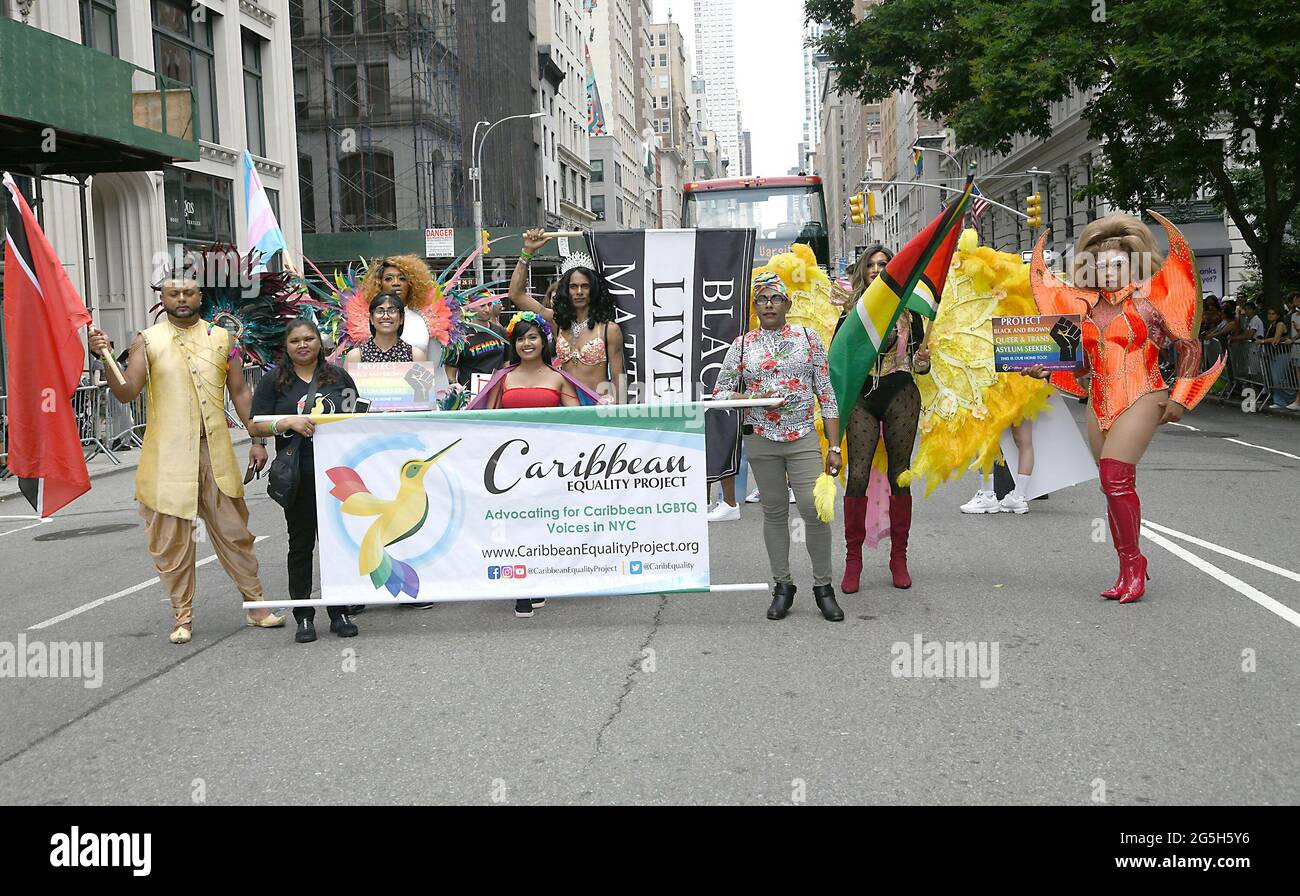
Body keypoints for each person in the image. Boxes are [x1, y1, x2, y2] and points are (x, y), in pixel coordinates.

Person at [1026, 212, 1223, 604]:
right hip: (1098, 399)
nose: (1109, 271)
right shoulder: (1081, 309)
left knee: (1116, 477)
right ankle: (1127, 566)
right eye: (1099, 264)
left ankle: (1134, 567)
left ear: (1134, 264)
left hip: (1144, 393)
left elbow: (1189, 344)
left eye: (1118, 263)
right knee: (1109, 486)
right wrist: (1046, 368)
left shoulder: (1149, 304)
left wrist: (1181, 396)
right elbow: (1081, 364)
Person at [88, 279, 284, 643]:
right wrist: (103, 356)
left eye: (188, 293)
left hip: (216, 452)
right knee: (173, 539)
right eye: (173, 294)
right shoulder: (147, 340)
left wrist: (258, 438)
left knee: (235, 532)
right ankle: (182, 616)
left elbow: (241, 392)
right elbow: (127, 391)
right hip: (167, 457)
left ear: (199, 297)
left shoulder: (223, 339)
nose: (181, 299)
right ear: (162, 300)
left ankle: (256, 605)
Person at [713, 270, 844, 622]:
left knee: (813, 509)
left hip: (801, 435)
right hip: (761, 439)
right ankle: (782, 586)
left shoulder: (808, 338)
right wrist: (756, 397)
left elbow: (826, 393)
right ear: (754, 306)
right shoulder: (742, 345)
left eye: (775, 298)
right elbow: (720, 393)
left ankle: (823, 587)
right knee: (774, 512)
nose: (768, 304)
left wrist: (834, 446)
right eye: (761, 299)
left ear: (788, 303)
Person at [468, 312, 599, 619]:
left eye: (532, 337)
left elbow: (577, 420)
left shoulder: (558, 378)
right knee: (516, 524)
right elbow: (488, 421)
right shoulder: (503, 377)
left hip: (549, 466)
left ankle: (542, 577)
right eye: (521, 339)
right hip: (510, 467)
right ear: (513, 343)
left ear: (543, 341)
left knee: (543, 523)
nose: (527, 344)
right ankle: (525, 584)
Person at [250, 318, 360, 642]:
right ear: (286, 345)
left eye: (309, 339)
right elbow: (254, 424)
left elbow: (360, 417)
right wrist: (285, 423)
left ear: (319, 342)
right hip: (298, 476)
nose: (303, 345)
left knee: (335, 544)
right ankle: (304, 616)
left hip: (337, 476)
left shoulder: (338, 377)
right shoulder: (274, 382)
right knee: (300, 545)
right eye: (296, 340)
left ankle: (339, 611)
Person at [837, 243, 931, 593]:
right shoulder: (850, 310)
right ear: (864, 271)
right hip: (862, 397)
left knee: (900, 474)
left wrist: (923, 361)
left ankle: (899, 558)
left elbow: (922, 366)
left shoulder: (912, 312)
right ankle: (853, 560)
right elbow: (838, 358)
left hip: (900, 394)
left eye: (885, 265)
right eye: (872, 265)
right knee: (857, 474)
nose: (878, 269)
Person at [510, 229, 625, 402]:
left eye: (585, 286)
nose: (579, 292)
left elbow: (618, 379)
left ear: (593, 290)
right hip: (565, 406)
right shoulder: (557, 322)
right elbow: (516, 295)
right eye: (573, 287)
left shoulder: (609, 329)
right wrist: (527, 252)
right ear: (566, 290)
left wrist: (619, 416)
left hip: (598, 406)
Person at [354, 255, 440, 357]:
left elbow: (435, 365)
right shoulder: (364, 320)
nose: (396, 283)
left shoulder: (427, 321)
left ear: (411, 283)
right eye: (388, 279)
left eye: (402, 278)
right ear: (379, 283)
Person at [444, 295, 508, 391]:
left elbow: (506, 362)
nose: (487, 309)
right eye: (482, 305)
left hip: (497, 391)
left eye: (489, 304)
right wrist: (456, 390)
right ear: (471, 306)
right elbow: (450, 372)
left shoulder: (500, 331)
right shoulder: (460, 335)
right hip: (472, 395)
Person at [348, 292, 429, 366]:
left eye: (392, 311)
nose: (386, 316)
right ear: (371, 319)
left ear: (401, 319)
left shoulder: (416, 356)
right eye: (380, 311)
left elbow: (420, 382)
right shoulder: (356, 357)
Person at [1257, 306, 1295, 408]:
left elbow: (1276, 338)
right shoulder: (1271, 325)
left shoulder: (1280, 324)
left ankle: (1292, 397)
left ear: (1278, 315)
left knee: (1278, 378)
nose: (1270, 315)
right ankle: (1279, 401)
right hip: (1273, 354)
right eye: (1269, 313)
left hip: (1282, 354)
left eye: (1273, 314)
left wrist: (1263, 341)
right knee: (1274, 379)